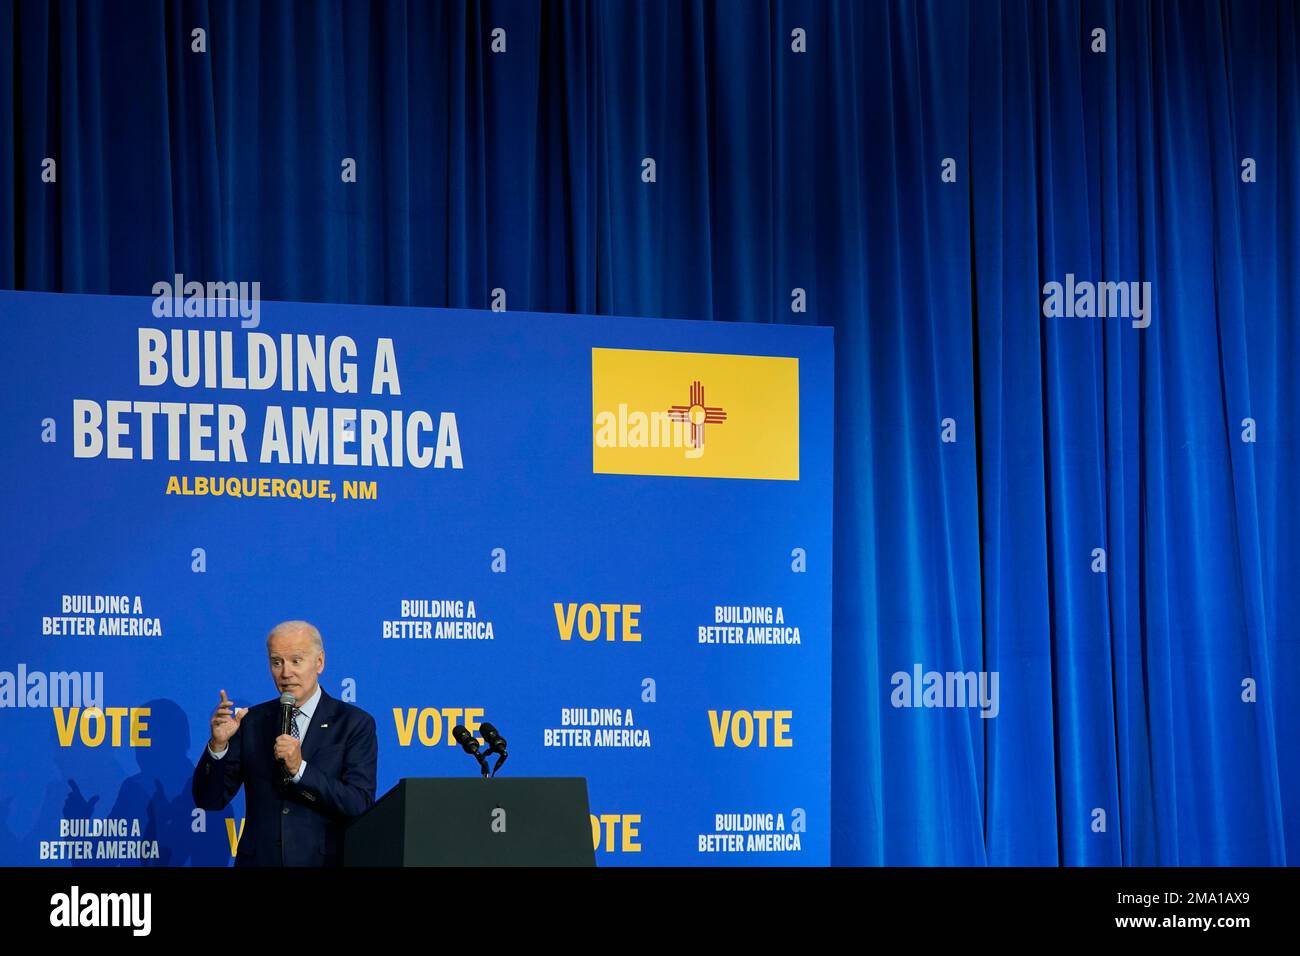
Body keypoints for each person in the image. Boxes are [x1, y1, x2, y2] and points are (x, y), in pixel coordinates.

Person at [191, 620, 378, 866]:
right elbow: (210, 800)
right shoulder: (252, 722)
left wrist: (300, 770)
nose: (285, 673)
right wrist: (218, 748)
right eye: (276, 662)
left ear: (319, 662)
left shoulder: (353, 723)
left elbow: (358, 803)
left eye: (296, 661)